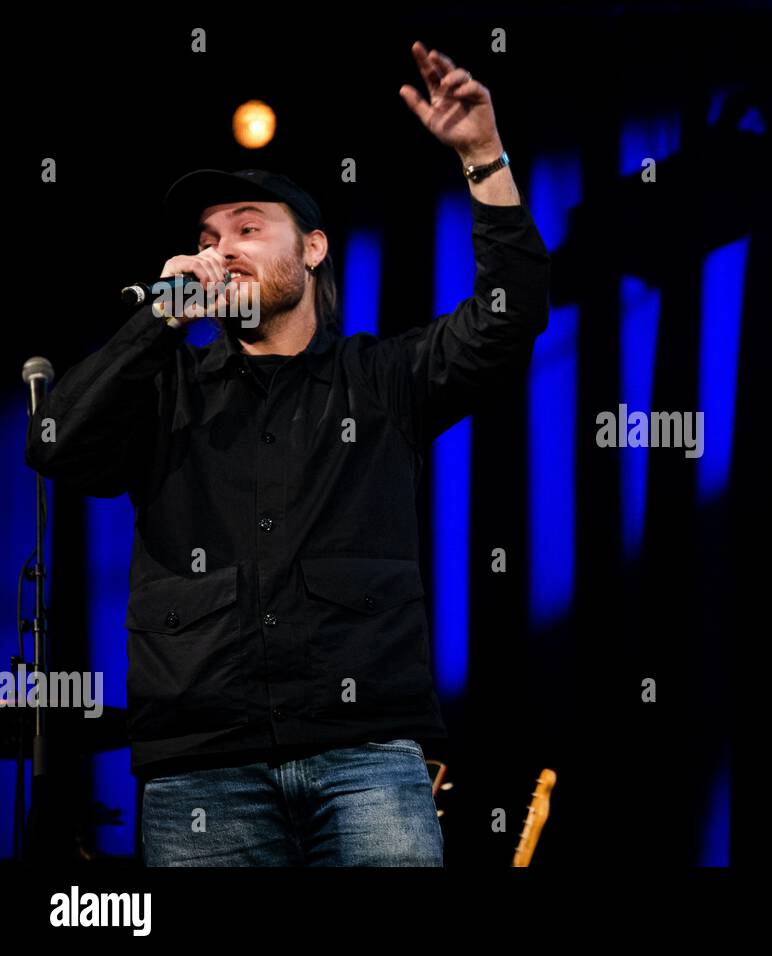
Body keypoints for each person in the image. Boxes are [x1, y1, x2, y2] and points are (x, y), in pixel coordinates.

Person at [25, 42, 549, 866]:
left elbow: (508, 318)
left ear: (311, 250)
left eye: (246, 228)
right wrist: (158, 319)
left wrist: (484, 158)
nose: (221, 247)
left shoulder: (382, 378)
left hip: (368, 757)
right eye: (207, 234)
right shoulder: (166, 391)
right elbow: (54, 445)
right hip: (203, 766)